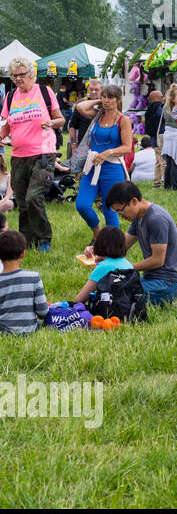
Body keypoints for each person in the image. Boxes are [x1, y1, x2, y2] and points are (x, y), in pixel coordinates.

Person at [0, 57, 65, 251]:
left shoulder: (44, 92)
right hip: (19, 156)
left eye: (22, 74)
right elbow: (5, 125)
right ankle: (25, 242)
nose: (18, 79)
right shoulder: (11, 97)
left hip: (43, 153)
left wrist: (52, 124)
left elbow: (60, 119)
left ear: (31, 74)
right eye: (14, 75)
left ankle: (44, 239)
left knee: (33, 197)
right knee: (21, 200)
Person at [101, 181, 177, 304]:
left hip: (168, 284)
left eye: (121, 211)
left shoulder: (156, 219)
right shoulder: (138, 217)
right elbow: (122, 245)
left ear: (134, 201)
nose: (120, 216)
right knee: (109, 289)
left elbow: (157, 260)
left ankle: (168, 299)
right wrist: (98, 252)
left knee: (115, 296)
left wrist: (125, 268)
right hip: (150, 279)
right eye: (117, 212)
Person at [72, 84, 134, 236]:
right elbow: (80, 107)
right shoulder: (97, 114)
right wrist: (98, 102)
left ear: (118, 100)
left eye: (110, 98)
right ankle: (97, 233)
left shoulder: (123, 120)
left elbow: (127, 147)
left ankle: (114, 244)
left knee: (110, 208)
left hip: (112, 168)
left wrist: (109, 152)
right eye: (104, 97)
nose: (106, 100)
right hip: (92, 166)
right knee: (82, 205)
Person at [0, 230, 48, 334]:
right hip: (30, 330)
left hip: (3, 332)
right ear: (23, 254)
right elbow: (43, 312)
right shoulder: (34, 278)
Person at [72, 227, 136, 304]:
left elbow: (80, 299)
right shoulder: (128, 264)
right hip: (130, 309)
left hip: (108, 311)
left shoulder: (103, 267)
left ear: (99, 243)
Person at [159, 85, 177, 190]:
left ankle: (167, 185)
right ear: (173, 98)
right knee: (176, 161)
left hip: (168, 134)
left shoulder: (166, 108)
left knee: (170, 162)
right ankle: (175, 186)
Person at [143, 90, 165, 187]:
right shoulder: (158, 107)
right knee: (163, 161)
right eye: (161, 96)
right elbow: (164, 117)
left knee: (158, 160)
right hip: (160, 137)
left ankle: (156, 182)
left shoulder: (149, 109)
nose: (163, 98)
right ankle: (166, 182)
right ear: (156, 97)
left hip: (153, 138)